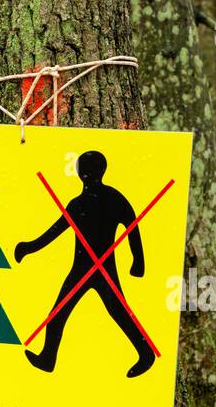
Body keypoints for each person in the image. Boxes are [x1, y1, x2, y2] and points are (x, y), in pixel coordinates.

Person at [14, 151, 155, 378]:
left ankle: (146, 354)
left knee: (118, 313)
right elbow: (55, 232)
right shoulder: (79, 203)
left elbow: (132, 227)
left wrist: (139, 261)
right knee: (57, 315)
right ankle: (48, 358)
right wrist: (28, 247)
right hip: (81, 270)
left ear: (81, 172)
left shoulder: (110, 199)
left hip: (102, 269)